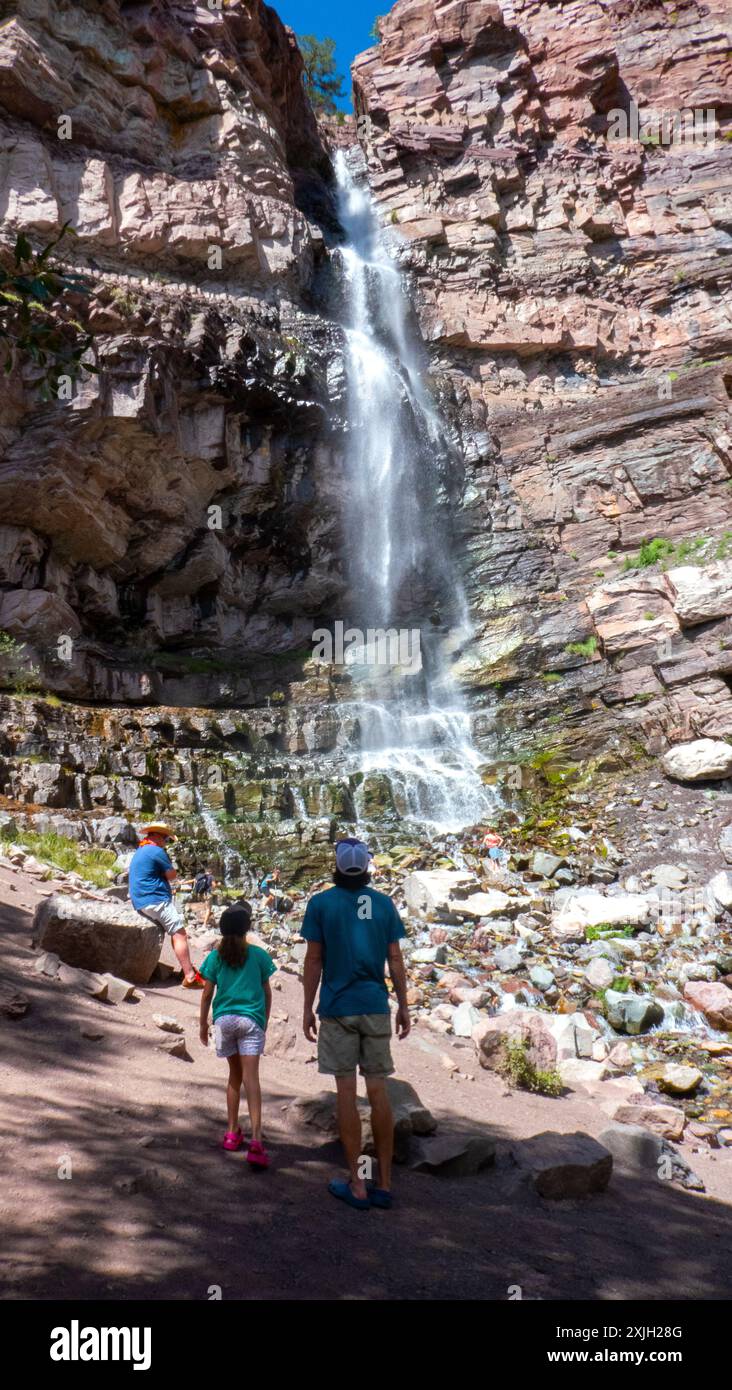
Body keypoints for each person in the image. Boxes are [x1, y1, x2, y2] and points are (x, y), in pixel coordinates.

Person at [301, 837, 410, 1211]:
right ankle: (384, 1183)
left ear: (335, 865)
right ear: (366, 868)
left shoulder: (320, 904)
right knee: (378, 1092)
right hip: (375, 1007)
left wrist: (306, 1007)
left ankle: (357, 1183)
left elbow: (313, 961)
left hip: (337, 1007)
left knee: (346, 1094)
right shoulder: (382, 904)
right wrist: (404, 1006)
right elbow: (395, 960)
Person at [199, 904, 276, 1168]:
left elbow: (207, 993)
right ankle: (256, 1141)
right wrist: (263, 1020)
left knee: (234, 1077)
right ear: (247, 928)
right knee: (252, 1080)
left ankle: (232, 1133)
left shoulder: (215, 957)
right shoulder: (258, 955)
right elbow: (267, 992)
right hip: (251, 1019)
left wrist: (202, 1024)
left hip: (224, 1021)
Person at [128, 823, 203, 988]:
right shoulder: (156, 851)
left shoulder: (141, 850)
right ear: (156, 835)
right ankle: (190, 976)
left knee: (174, 932)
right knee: (180, 934)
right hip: (155, 900)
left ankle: (186, 969)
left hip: (141, 901)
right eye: (165, 838)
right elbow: (172, 875)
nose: (166, 842)